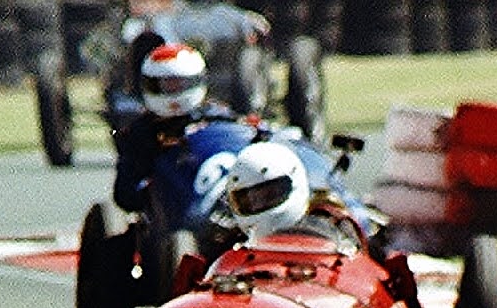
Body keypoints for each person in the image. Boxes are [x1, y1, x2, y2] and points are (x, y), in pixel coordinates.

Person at [111, 42, 240, 212]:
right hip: (170, 212)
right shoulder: (140, 131)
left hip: (222, 196)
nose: (173, 90)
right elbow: (125, 194)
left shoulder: (219, 116)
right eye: (165, 85)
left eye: (179, 84)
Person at [224, 140, 363, 254]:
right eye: (247, 201)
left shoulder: (339, 229)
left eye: (269, 195)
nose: (257, 204)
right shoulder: (231, 243)